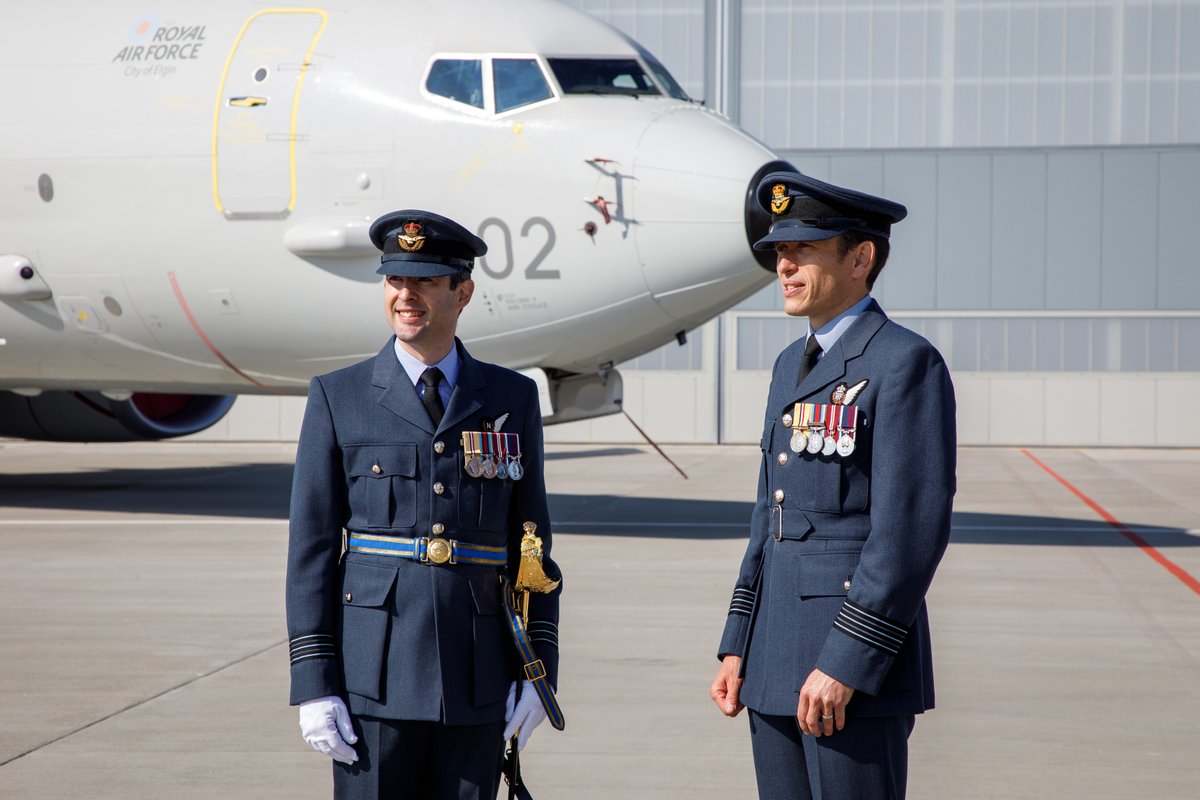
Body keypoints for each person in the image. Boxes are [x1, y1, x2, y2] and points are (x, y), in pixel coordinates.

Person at [286, 209, 562, 799]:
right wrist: (313, 681)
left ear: (463, 291)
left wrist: (539, 668)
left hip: (478, 674)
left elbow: (533, 548)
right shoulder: (340, 397)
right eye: (394, 281)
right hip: (371, 679)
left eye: (425, 281)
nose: (405, 296)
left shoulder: (512, 397)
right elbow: (310, 551)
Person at [709, 171, 956, 800]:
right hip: (772, 662)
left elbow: (907, 535)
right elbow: (771, 516)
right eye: (779, 254)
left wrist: (846, 662)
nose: (784, 268)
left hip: (847, 674)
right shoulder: (789, 365)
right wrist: (738, 642)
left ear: (861, 258)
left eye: (802, 251)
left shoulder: (903, 362)